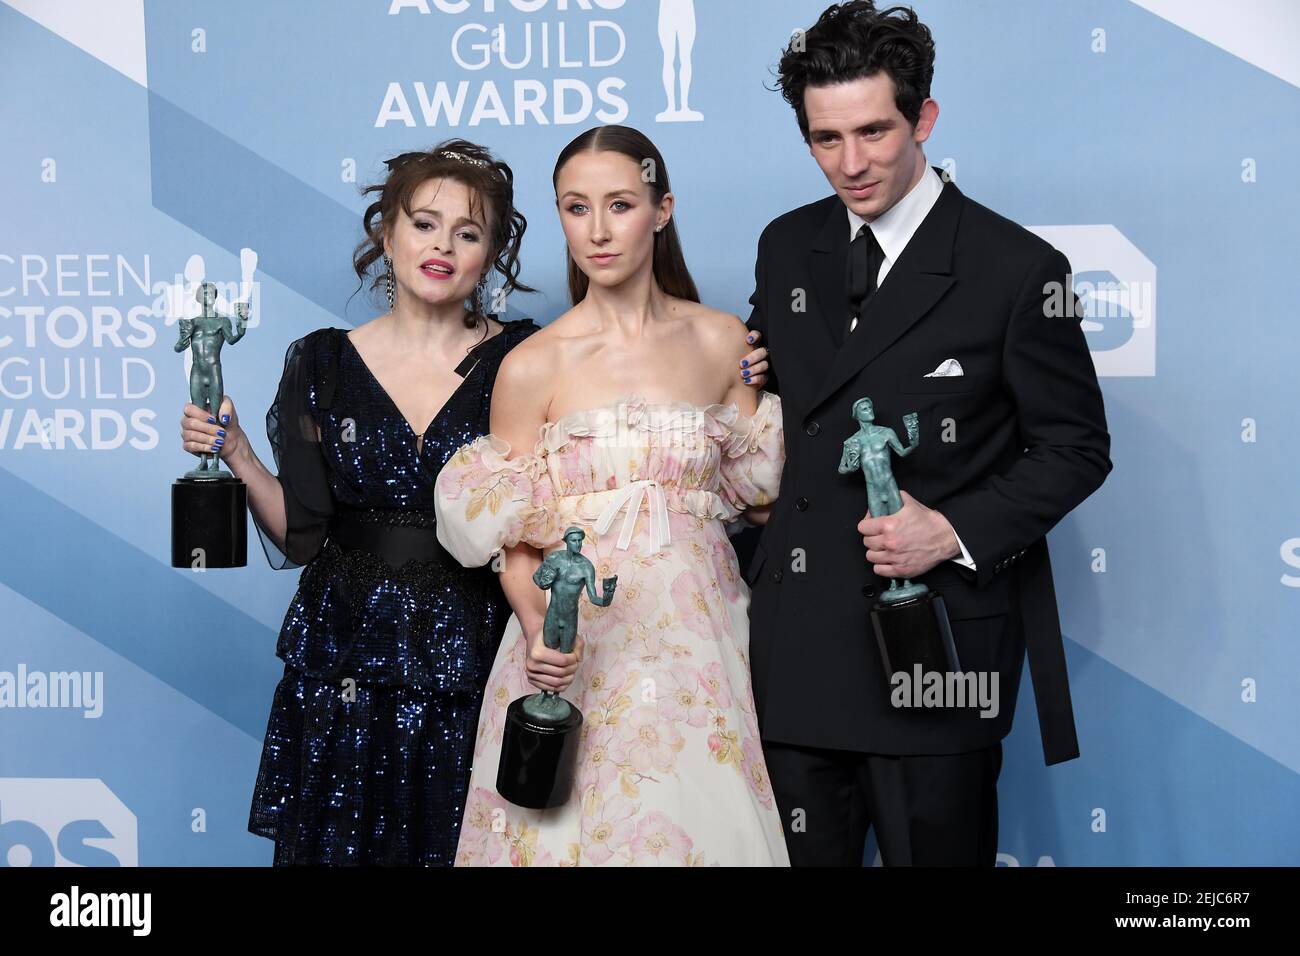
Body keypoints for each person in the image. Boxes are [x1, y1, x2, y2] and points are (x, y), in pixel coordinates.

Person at [744, 1, 1112, 866]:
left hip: (934, 651)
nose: (852, 162)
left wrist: (948, 529)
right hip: (795, 647)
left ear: (925, 119)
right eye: (825, 139)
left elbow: (1076, 448)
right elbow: (776, 398)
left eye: (874, 131)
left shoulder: (1017, 270)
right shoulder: (786, 245)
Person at [433, 124, 789, 866]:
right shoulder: (532, 365)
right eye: (574, 207)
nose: (596, 230)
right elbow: (514, 540)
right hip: (577, 645)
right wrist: (537, 630)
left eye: (621, 204)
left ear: (662, 210)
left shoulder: (725, 341)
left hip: (705, 645)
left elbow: (764, 502)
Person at [178, 139, 540, 865]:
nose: (443, 246)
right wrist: (240, 453)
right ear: (387, 235)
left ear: (490, 254)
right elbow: (305, 537)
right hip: (347, 651)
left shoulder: (527, 359)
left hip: (477, 654)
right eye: (425, 223)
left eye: (468, 233)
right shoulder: (322, 363)